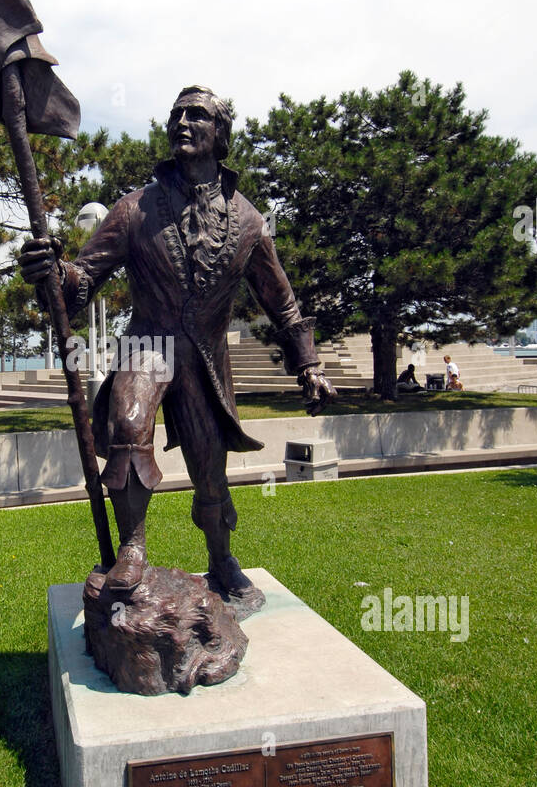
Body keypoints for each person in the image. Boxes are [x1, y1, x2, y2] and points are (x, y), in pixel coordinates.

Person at [20, 86, 336, 601]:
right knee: (128, 423)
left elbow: (282, 300)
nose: (183, 123)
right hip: (148, 345)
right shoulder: (132, 210)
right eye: (176, 115)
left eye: (197, 116)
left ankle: (222, 558)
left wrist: (309, 365)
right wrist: (51, 272)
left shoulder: (250, 222)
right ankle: (132, 550)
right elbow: (81, 280)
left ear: (220, 134)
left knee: (211, 471)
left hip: (207, 361)